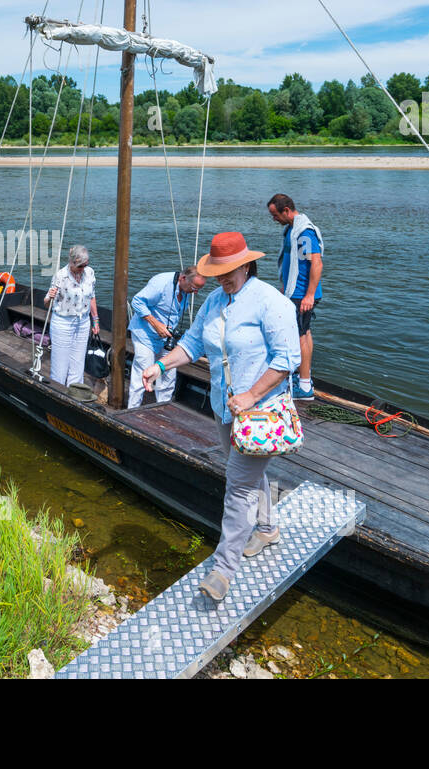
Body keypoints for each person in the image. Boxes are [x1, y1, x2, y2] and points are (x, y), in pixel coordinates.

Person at [141, 232, 300, 601]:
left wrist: (251, 395)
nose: (223, 278)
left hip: (258, 412)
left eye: (229, 271)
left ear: (246, 265)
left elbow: (286, 359)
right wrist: (161, 366)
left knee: (239, 485)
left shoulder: (271, 303)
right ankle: (268, 527)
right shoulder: (214, 301)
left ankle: (223, 570)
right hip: (222, 407)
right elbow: (193, 345)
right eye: (218, 272)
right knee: (247, 472)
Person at [267, 193, 323, 400]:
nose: (274, 219)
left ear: (287, 211)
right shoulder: (291, 230)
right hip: (294, 292)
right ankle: (304, 379)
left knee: (299, 336)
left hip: (302, 295)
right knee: (304, 333)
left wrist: (309, 295)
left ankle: (305, 387)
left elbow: (316, 263)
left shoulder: (304, 233)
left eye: (275, 215)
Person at [127, 268, 205, 407]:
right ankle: (131, 411)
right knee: (143, 375)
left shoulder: (186, 289)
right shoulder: (161, 283)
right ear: (183, 278)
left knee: (169, 377)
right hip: (145, 335)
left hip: (166, 338)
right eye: (194, 287)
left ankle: (163, 411)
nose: (195, 292)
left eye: (198, 289)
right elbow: (137, 301)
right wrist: (156, 324)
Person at [43, 245, 100, 387]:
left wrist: (96, 320)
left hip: (83, 321)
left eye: (86, 265)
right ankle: (57, 394)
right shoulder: (60, 276)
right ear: (72, 262)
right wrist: (49, 297)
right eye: (81, 266)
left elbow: (92, 297)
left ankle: (75, 393)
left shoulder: (90, 273)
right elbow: (46, 304)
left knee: (78, 363)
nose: (83, 268)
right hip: (63, 323)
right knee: (60, 365)